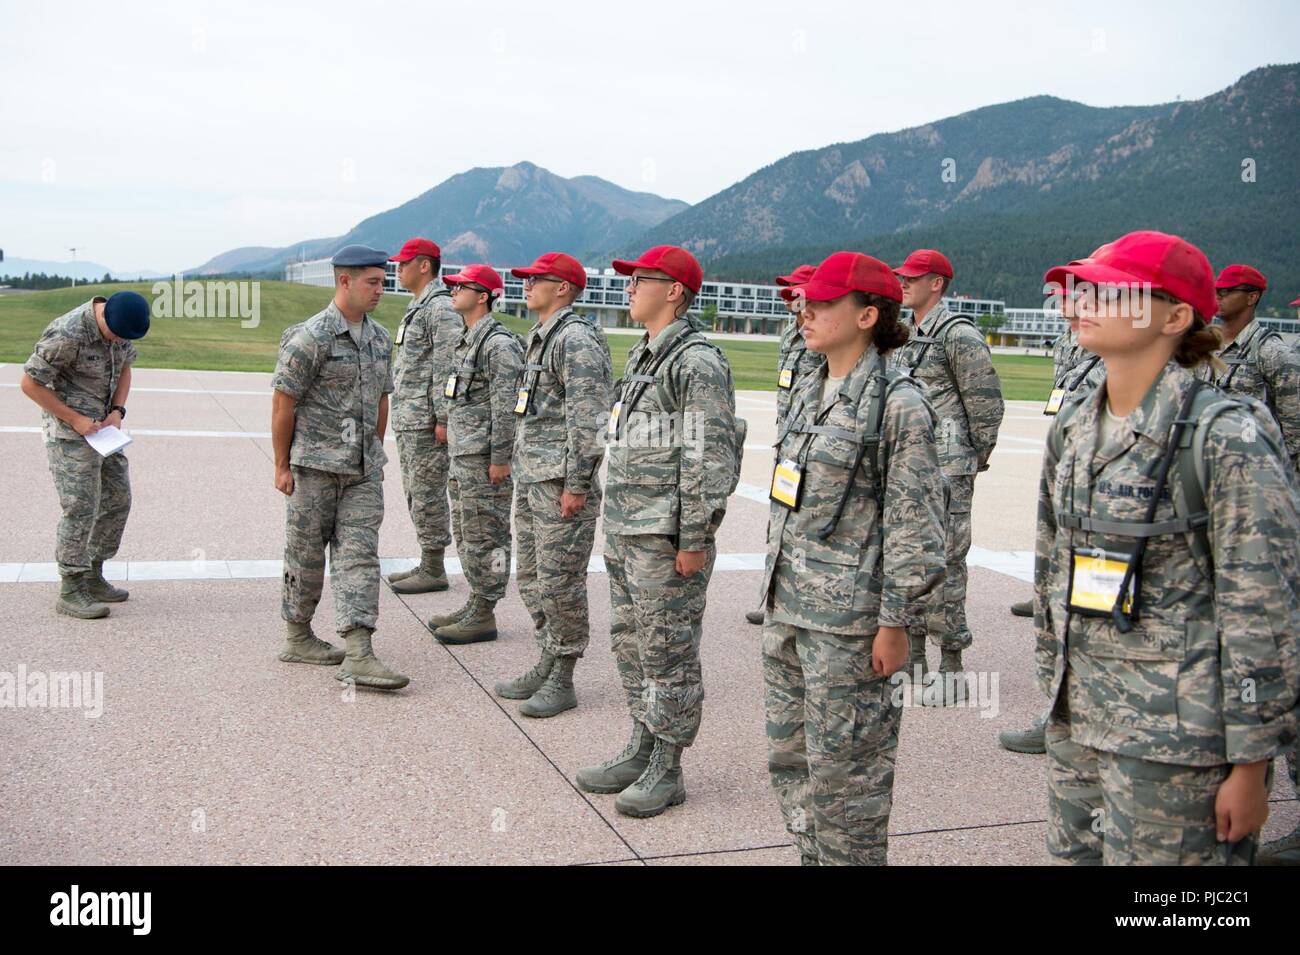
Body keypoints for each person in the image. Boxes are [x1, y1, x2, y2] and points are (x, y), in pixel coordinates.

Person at [1037, 230, 1300, 864]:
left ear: (1176, 317)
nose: (1081, 300)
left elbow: (1262, 608)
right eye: (1079, 288)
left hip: (1181, 746)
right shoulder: (1075, 425)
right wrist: (1054, 697)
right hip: (1082, 723)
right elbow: (1052, 571)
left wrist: (1251, 762)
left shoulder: (1226, 434)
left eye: (1110, 290)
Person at [761, 251, 946, 865]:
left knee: (851, 783)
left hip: (852, 626)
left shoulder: (898, 404)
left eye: (824, 301)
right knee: (793, 761)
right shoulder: (810, 388)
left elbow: (914, 526)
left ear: (868, 314)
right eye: (805, 298)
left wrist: (896, 623)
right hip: (789, 607)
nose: (805, 310)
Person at [576, 245, 744, 818]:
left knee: (668, 652)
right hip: (627, 526)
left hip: (666, 536)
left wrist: (694, 537)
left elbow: (708, 458)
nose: (628, 288)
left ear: (674, 290)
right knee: (631, 644)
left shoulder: (694, 362)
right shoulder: (645, 355)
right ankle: (641, 744)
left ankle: (668, 766)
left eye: (639, 279)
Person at [272, 245, 408, 689]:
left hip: (362, 472)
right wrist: (282, 465)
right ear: (343, 281)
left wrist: (374, 448)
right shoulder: (310, 337)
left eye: (383, 282)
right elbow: (283, 403)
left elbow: (382, 398)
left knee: (359, 555)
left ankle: (359, 651)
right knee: (306, 554)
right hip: (313, 466)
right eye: (372, 282)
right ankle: (298, 635)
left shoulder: (380, 338)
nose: (380, 290)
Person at [493, 253, 612, 717]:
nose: (526, 285)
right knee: (533, 577)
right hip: (534, 476)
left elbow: (590, 418)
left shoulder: (576, 340)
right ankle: (547, 656)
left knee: (560, 582)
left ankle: (563, 675)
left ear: (563, 287)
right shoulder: (541, 338)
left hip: (562, 483)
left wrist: (578, 483)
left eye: (536, 279)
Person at [889, 249, 1004, 702]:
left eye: (913, 277)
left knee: (949, 563)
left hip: (949, 467)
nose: (904, 283)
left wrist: (974, 456)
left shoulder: (957, 334)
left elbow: (986, 402)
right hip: (912, 466)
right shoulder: (908, 333)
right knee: (910, 557)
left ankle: (952, 665)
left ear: (937, 283)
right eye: (901, 276)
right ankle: (914, 657)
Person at [20, 290, 149, 619]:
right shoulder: (67, 333)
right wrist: (75, 419)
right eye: (116, 335)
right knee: (80, 506)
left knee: (118, 498)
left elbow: (125, 367)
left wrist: (118, 410)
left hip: (104, 430)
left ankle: (93, 572)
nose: (119, 340)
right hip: (69, 432)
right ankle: (71, 586)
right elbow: (30, 384)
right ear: (104, 317)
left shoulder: (121, 326)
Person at [426, 264, 524, 645]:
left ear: (483, 296)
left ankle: (485, 611)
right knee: (468, 532)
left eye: (461, 286)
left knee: (488, 534)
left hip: (485, 459)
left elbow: (505, 407)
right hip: (464, 455)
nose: (452, 291)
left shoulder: (498, 344)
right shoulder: (467, 339)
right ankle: (475, 601)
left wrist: (500, 458)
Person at [745, 263, 823, 626]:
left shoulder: (819, 334)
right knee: (779, 520)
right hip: (787, 444)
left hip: (814, 446)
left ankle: (805, 597)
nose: (789, 296)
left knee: (808, 522)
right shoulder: (789, 336)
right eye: (788, 290)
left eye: (797, 289)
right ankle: (772, 596)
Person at [385, 237, 463, 594]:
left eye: (404, 262)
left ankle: (434, 568)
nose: (398, 268)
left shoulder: (440, 307)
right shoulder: (419, 305)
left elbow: (448, 365)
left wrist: (444, 417)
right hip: (410, 416)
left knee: (428, 492)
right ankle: (426, 560)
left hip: (426, 420)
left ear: (424, 265)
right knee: (416, 491)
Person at [1199, 264, 1300, 475]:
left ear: (1252, 297)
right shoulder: (1206, 348)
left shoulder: (1271, 352)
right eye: (1216, 290)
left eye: (1226, 291)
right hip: (1206, 465)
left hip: (1254, 472)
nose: (1218, 296)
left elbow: (1294, 430)